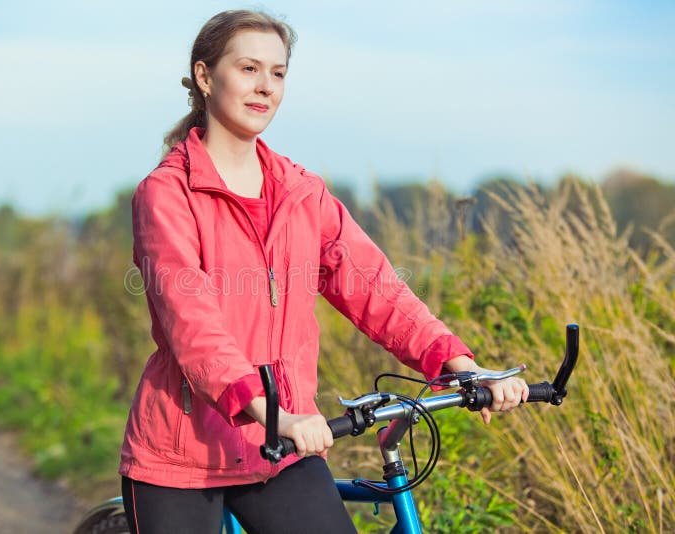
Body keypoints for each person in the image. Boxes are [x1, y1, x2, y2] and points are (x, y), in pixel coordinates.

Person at [119, 9, 528, 533]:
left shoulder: (301, 193)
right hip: (183, 454)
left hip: (280, 447)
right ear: (205, 76)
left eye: (278, 73)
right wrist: (271, 412)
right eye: (248, 69)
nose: (265, 87)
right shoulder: (167, 193)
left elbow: (376, 289)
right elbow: (192, 326)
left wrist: (457, 363)